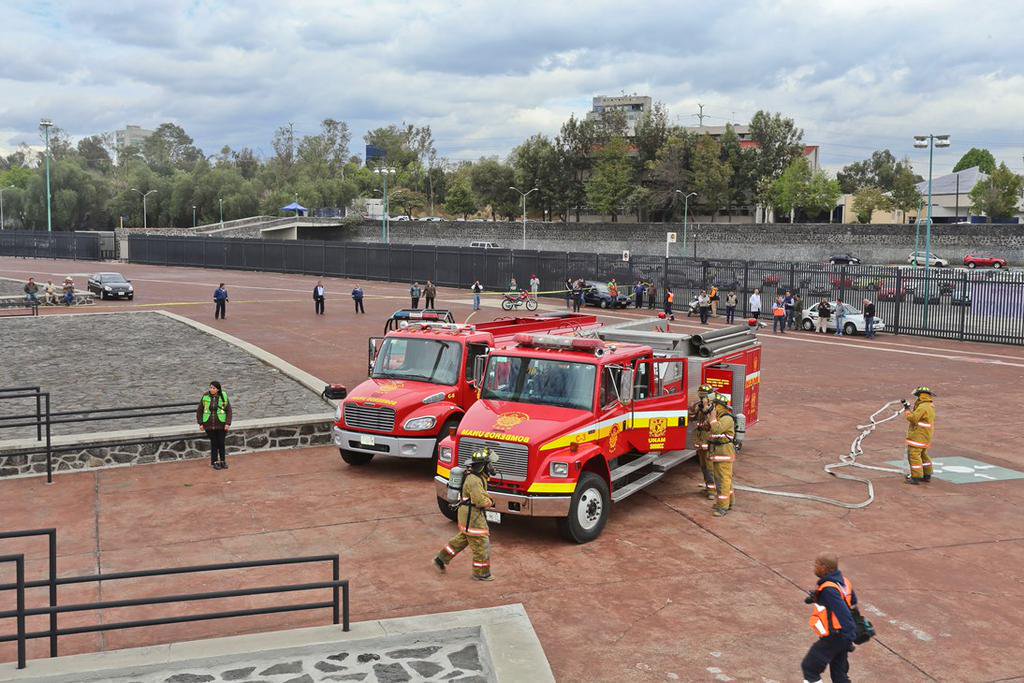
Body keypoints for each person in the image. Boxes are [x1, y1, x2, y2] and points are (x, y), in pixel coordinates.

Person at [434, 449, 496, 581]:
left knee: (462, 540)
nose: (492, 467)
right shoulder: (474, 480)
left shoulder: (477, 477)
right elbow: (479, 501)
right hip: (472, 518)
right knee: (481, 544)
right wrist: (490, 502)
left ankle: (441, 559)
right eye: (489, 464)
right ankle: (481, 573)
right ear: (482, 466)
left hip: (467, 515)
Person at [801, 552, 858, 683]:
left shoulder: (829, 590)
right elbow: (852, 602)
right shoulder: (844, 582)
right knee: (839, 676)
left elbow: (844, 614)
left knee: (810, 668)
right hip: (842, 637)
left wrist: (849, 638)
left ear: (826, 568)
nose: (814, 567)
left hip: (835, 636)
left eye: (817, 565)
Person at [707, 392, 736, 517]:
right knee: (724, 479)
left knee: (723, 480)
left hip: (724, 453)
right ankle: (728, 502)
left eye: (714, 405)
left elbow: (716, 429)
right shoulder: (721, 418)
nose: (712, 407)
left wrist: (712, 417)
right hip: (719, 453)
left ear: (720, 406)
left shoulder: (727, 418)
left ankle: (722, 507)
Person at [903, 387, 936, 484]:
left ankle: (916, 477)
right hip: (926, 436)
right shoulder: (930, 405)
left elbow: (913, 418)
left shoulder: (922, 407)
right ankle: (927, 474)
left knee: (914, 455)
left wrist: (907, 410)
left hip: (918, 435)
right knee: (923, 455)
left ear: (921, 395)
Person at [196, 381, 232, 470]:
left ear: (218, 389)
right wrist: (200, 423)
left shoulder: (223, 396)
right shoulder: (205, 396)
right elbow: (199, 410)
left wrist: (227, 423)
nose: (211, 389)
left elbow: (229, 411)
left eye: (214, 388)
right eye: (210, 387)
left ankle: (223, 461)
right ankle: (215, 462)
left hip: (221, 424)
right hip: (209, 425)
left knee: (221, 443)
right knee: (214, 443)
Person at [689, 384, 716, 499]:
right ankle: (708, 487)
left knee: (710, 467)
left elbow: (711, 421)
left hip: (709, 441)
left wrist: (706, 407)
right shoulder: (699, 406)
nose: (702, 398)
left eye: (704, 396)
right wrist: (692, 410)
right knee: (703, 466)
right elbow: (693, 417)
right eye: (700, 395)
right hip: (701, 440)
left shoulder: (714, 408)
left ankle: (712, 492)